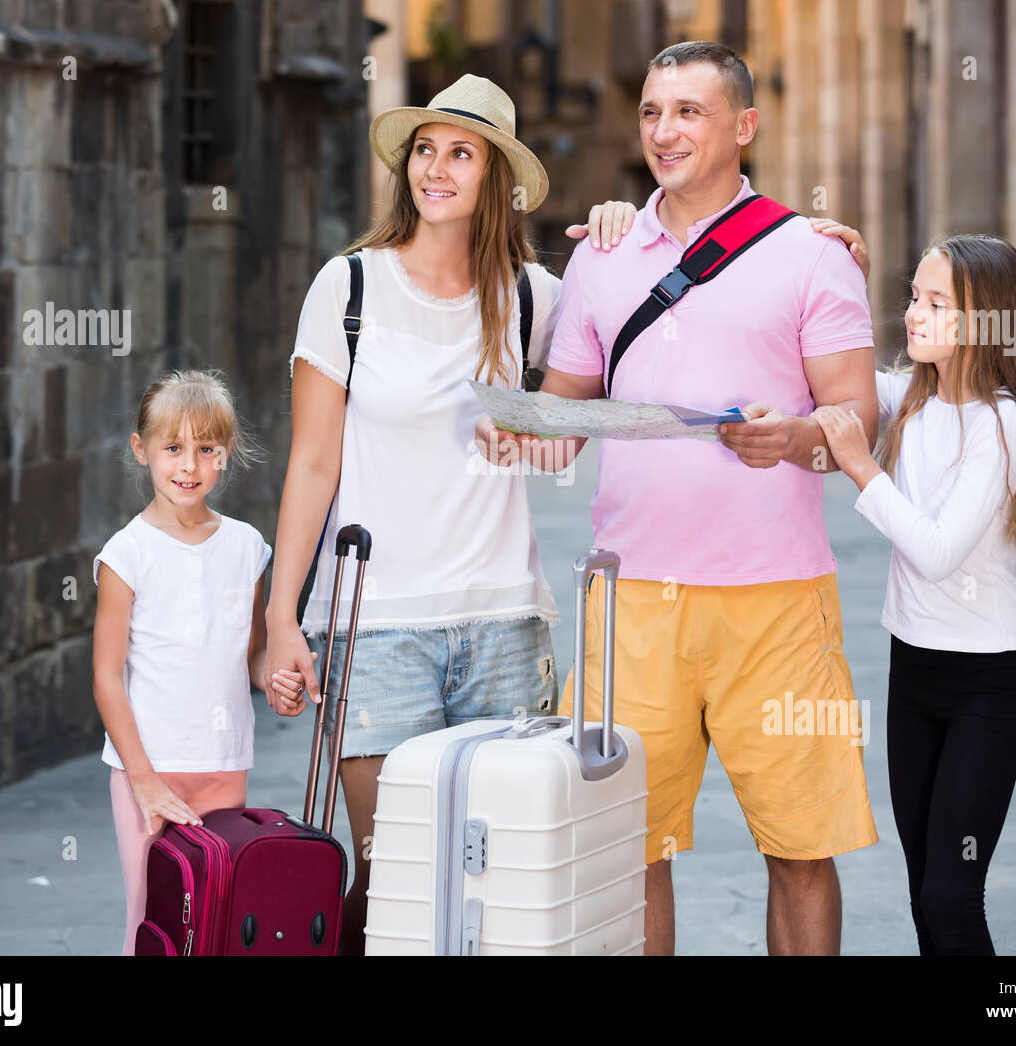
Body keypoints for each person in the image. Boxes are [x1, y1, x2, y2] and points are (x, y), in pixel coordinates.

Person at [476, 41, 881, 956]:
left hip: (778, 599)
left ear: (745, 126)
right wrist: (517, 433)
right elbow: (566, 418)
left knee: (801, 847)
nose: (664, 130)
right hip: (630, 604)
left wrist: (796, 437)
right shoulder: (604, 254)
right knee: (628, 847)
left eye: (689, 112)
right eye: (653, 112)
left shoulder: (812, 254)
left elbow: (857, 414)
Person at [263, 73, 636, 955]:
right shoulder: (348, 287)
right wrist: (281, 618)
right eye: (425, 150)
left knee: (500, 882)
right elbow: (312, 462)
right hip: (375, 628)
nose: (435, 168)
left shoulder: (533, 295)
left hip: (504, 623)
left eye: (461, 153)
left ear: (494, 177)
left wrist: (624, 229)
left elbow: (619, 360)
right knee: (391, 875)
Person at [811, 232, 1016, 955]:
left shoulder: (1005, 422)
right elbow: (839, 374)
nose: (914, 313)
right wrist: (841, 277)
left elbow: (936, 553)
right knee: (922, 896)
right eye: (914, 296)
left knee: (951, 896)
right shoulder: (910, 399)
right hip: (914, 675)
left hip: (987, 684)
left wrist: (861, 468)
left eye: (936, 303)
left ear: (985, 320)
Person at [92, 369, 297, 956]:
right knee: (150, 916)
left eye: (206, 449)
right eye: (173, 448)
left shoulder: (247, 547)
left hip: (223, 764)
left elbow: (252, 651)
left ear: (226, 453)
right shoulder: (127, 554)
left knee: (214, 914)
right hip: (147, 768)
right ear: (142, 450)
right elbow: (107, 678)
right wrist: (143, 781)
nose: (189, 465)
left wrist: (275, 679)